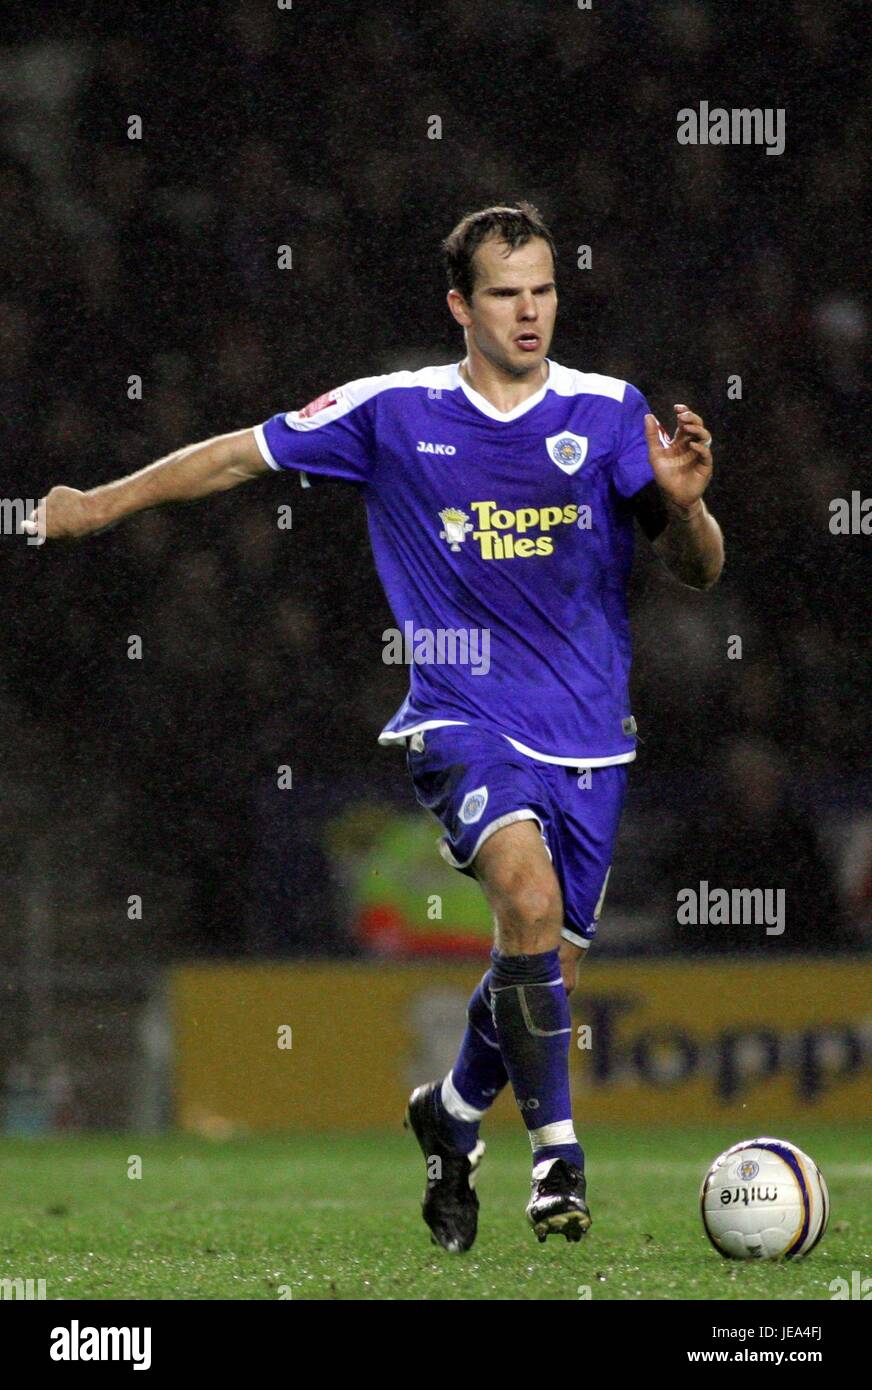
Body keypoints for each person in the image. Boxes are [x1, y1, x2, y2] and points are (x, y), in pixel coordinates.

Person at [24, 202, 723, 1250]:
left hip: (590, 732)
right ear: (459, 306)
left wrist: (688, 508)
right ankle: (556, 1161)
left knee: (541, 959)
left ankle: (446, 1114)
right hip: (459, 716)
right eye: (503, 293)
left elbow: (697, 570)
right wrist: (97, 505)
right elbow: (235, 455)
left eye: (541, 289)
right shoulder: (394, 411)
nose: (528, 311)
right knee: (523, 900)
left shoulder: (611, 410)